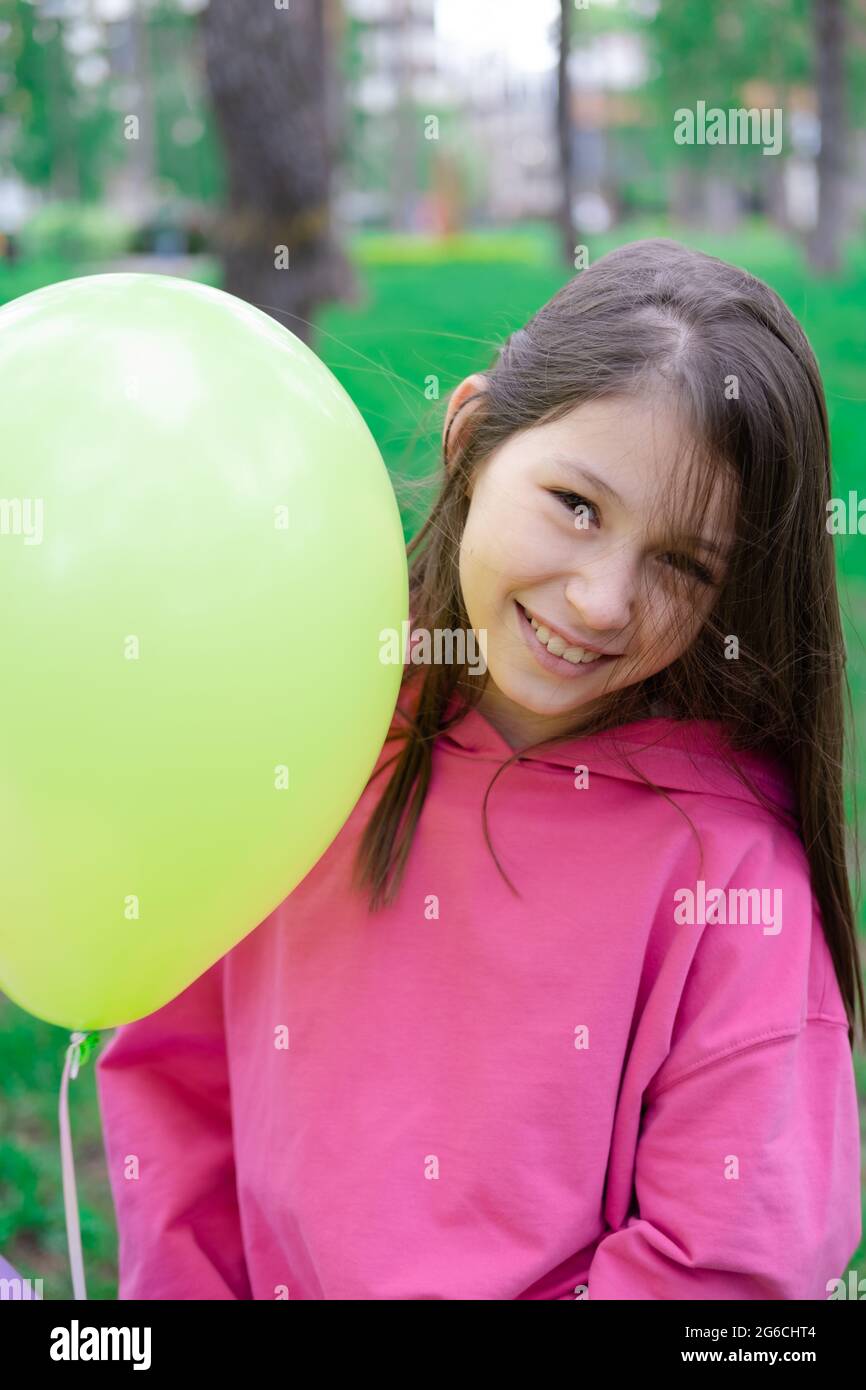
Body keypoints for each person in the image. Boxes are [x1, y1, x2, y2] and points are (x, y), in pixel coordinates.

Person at [95, 238, 863, 1300]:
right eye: (576, 505)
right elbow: (178, 1100)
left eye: (680, 563)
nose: (600, 598)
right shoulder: (302, 745)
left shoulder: (729, 881)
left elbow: (732, 1264)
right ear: (470, 436)